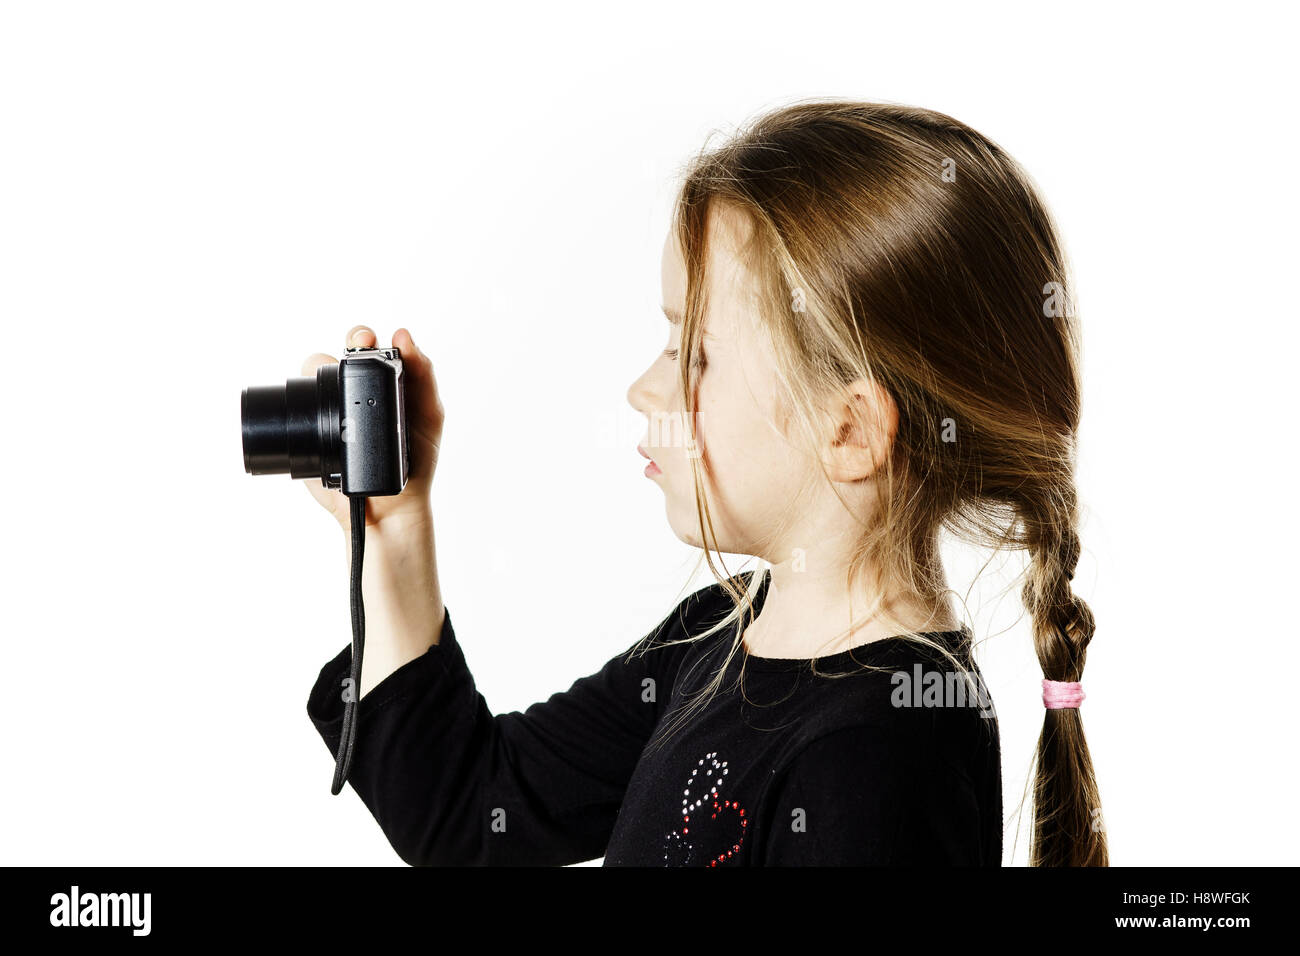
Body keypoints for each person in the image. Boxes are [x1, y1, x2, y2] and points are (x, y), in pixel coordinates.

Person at [303, 99, 1105, 867]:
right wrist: (391, 529)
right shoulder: (721, 635)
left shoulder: (881, 755)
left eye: (696, 354)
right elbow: (470, 804)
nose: (645, 391)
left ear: (850, 430)